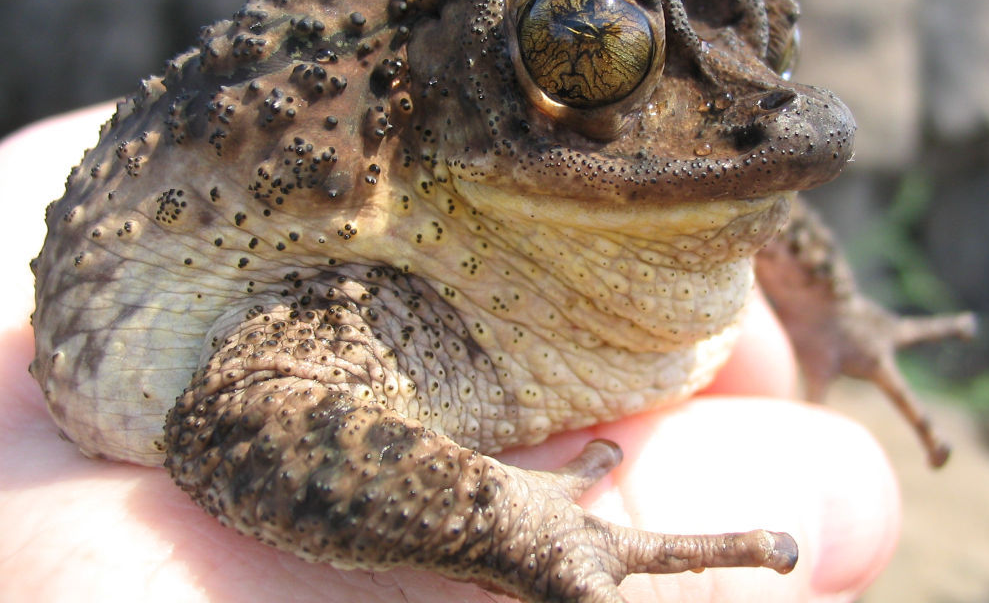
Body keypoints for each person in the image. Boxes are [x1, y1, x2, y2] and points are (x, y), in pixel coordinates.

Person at [0, 106, 900, 602]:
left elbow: (746, 166)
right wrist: (514, 523)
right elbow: (244, 418)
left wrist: (835, 312)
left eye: (770, 49)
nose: (794, 112)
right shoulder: (375, 277)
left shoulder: (698, 167)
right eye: (594, 52)